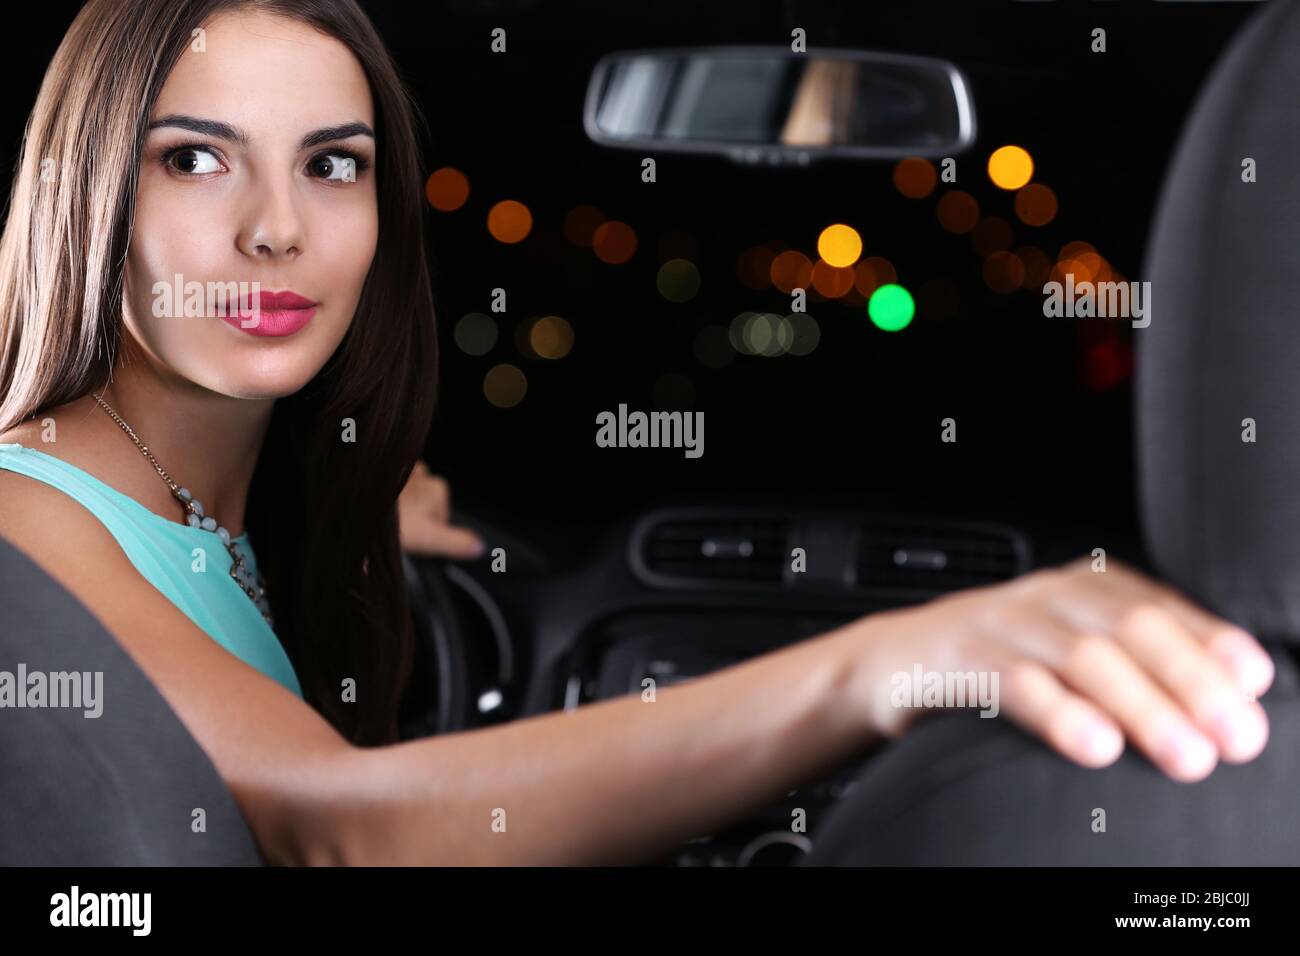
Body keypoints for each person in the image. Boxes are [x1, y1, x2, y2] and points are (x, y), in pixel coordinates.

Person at [0, 0, 1275, 865]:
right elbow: (335, 828)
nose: (277, 227)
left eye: (332, 163)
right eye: (194, 159)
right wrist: (870, 666)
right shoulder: (23, 518)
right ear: (88, 185)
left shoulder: (197, 513)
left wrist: (337, 518)